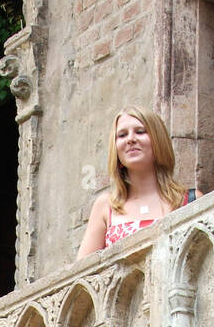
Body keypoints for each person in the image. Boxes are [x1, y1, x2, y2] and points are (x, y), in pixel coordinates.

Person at [77, 106, 201, 258]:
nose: (130, 139)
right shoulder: (106, 206)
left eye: (140, 132)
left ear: (158, 140)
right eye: (122, 135)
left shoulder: (190, 201)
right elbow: (81, 276)